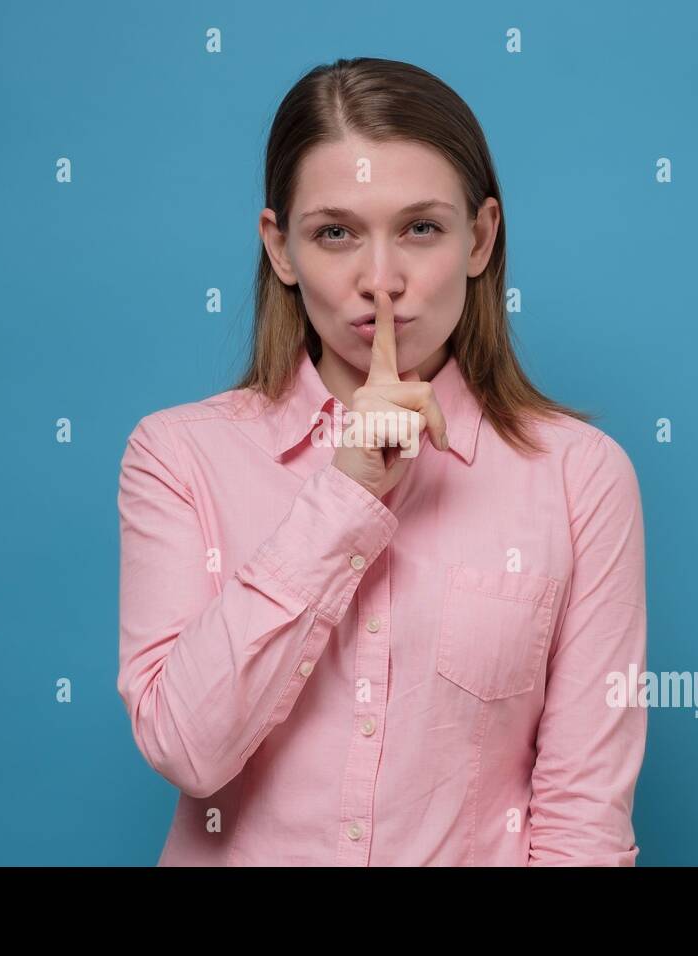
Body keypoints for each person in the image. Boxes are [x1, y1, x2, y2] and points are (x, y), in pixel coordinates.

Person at [117, 56, 647, 866]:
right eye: (336, 233)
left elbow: (583, 824)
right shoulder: (178, 454)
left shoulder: (581, 477)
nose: (381, 281)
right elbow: (188, 749)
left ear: (481, 238)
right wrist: (346, 493)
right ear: (282, 249)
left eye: (421, 228)